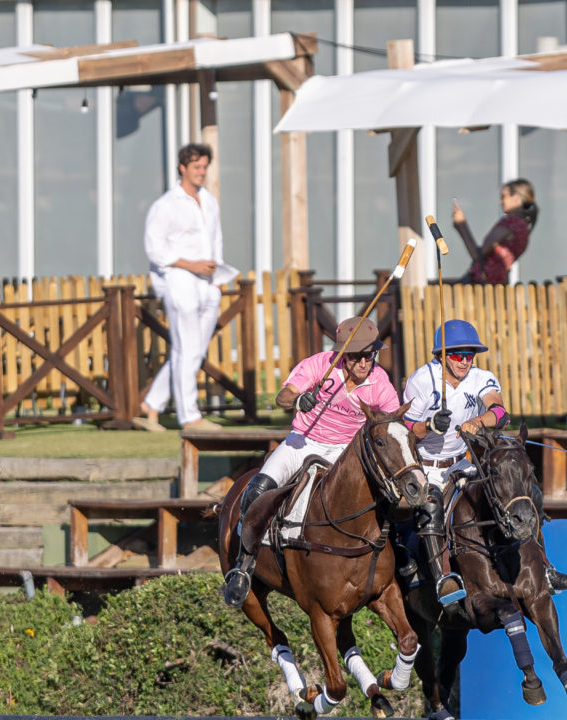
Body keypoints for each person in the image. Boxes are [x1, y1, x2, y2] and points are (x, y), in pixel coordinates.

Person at [222, 316, 400, 608]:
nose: (365, 363)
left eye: (370, 355)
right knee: (258, 488)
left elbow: (392, 421)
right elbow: (283, 396)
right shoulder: (319, 364)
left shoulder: (380, 382)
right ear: (342, 355)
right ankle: (243, 566)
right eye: (357, 357)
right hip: (303, 441)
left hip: (345, 452)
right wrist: (299, 400)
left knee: (385, 499)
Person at [402, 319, 567, 606]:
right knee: (432, 506)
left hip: (462, 462)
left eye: (470, 355)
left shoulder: (481, 377)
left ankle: (545, 569)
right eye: (458, 355)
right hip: (426, 466)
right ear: (441, 355)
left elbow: (499, 411)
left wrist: (478, 421)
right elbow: (407, 429)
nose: (465, 361)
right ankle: (443, 579)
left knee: (521, 494)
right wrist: (430, 425)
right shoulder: (422, 380)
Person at [137, 143, 229, 433]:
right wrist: (192, 265)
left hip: (207, 283)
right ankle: (189, 416)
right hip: (178, 281)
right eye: (196, 167)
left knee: (193, 350)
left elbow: (217, 241)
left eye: (204, 167)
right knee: (187, 348)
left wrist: (216, 278)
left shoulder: (210, 201)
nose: (201, 172)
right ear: (183, 168)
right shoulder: (165, 205)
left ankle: (151, 404)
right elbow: (155, 250)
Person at [452, 179, 538, 284]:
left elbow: (477, 255)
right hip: (499, 283)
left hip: (483, 283)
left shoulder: (510, 222)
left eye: (504, 197)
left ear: (517, 199)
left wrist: (462, 225)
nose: (500, 202)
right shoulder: (524, 227)